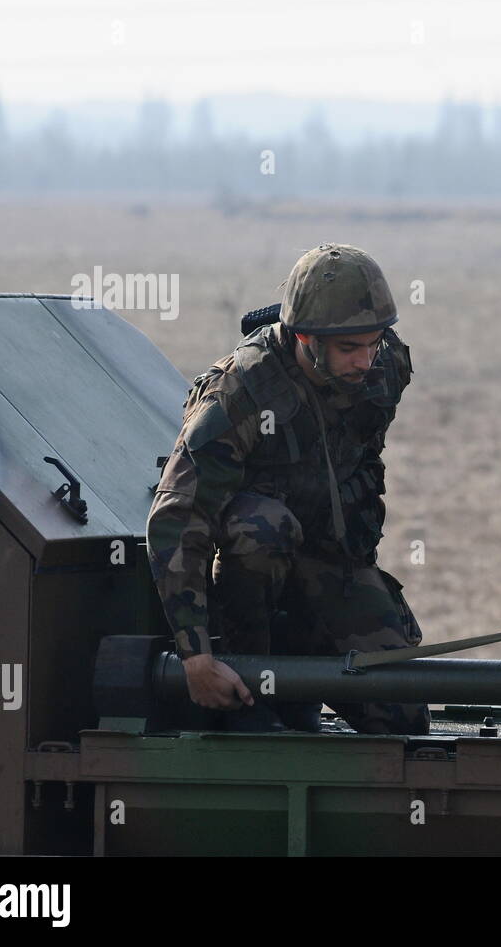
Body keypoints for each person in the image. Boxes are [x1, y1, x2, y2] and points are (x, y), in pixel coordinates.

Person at [146, 243, 429, 735]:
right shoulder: (243, 392)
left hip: (330, 566)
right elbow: (176, 518)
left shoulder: (386, 368)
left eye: (373, 342)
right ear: (304, 338)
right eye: (348, 348)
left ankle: (302, 680)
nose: (365, 361)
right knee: (262, 527)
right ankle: (248, 698)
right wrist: (196, 657)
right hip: (247, 585)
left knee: (403, 717)